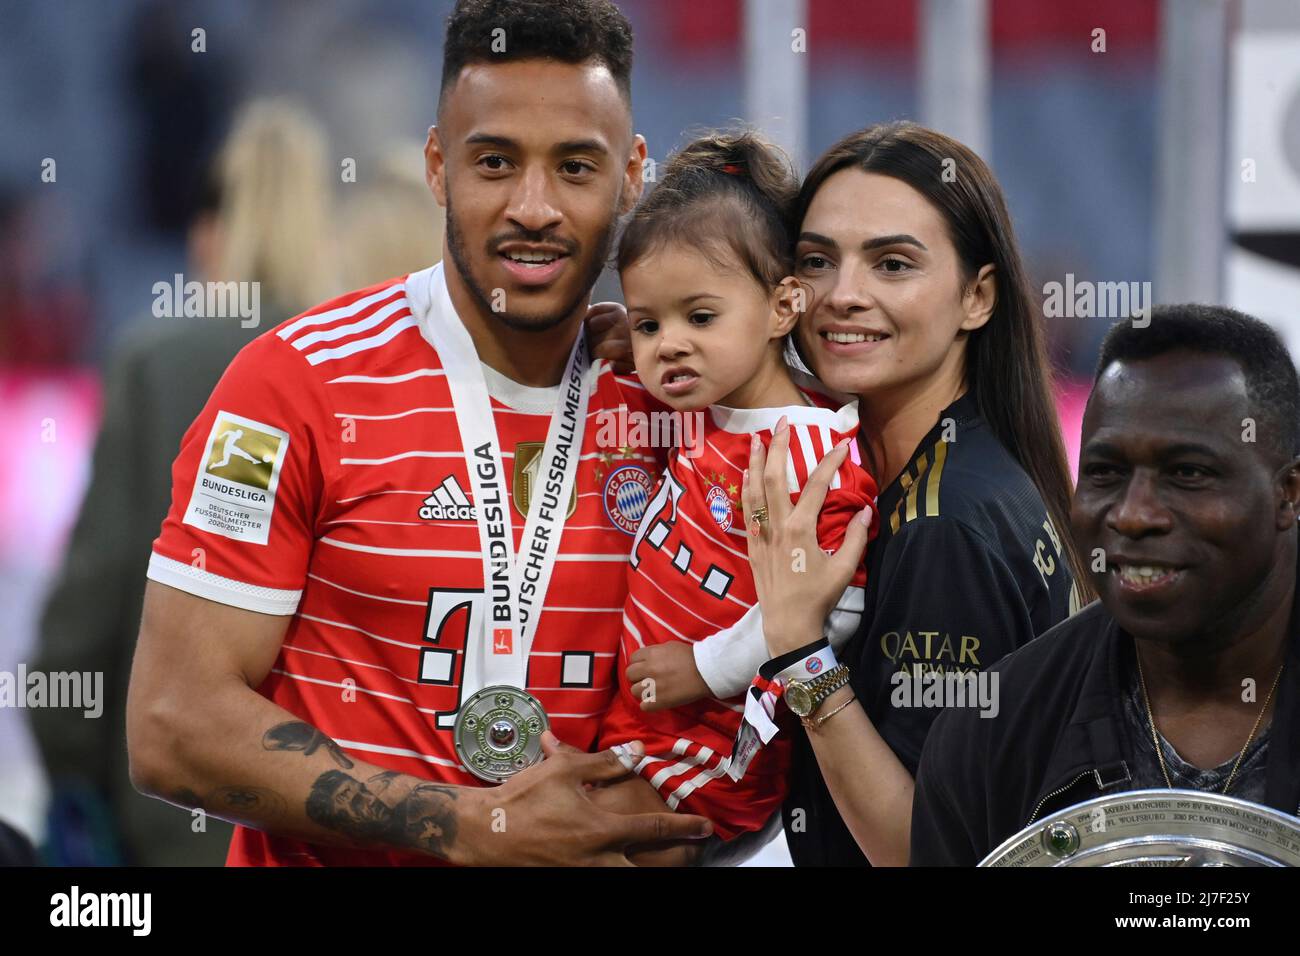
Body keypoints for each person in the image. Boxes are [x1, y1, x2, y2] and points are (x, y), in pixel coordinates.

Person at [126, 0, 712, 866]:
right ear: (438, 167)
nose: (535, 206)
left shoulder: (685, 408)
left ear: (633, 175)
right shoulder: (289, 387)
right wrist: (467, 826)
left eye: (577, 167)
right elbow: (171, 723)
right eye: (495, 162)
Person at [706, 122, 1090, 867]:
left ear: (978, 297)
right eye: (817, 261)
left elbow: (927, 850)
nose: (843, 296)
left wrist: (800, 652)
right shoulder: (952, 463)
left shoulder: (945, 525)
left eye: (891, 264)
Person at [31, 99, 338, 866]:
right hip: (327, 823)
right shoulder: (354, 371)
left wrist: (78, 777)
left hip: (167, 814)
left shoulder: (151, 361)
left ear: (207, 231)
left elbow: (87, 612)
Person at [910, 305, 1300, 865]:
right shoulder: (990, 736)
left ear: (1288, 492)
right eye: (1105, 473)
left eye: (1188, 473)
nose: (1134, 515)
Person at [590, 130, 877, 859]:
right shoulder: (708, 404)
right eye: (653, 322)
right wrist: (635, 334)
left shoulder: (809, 453)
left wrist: (708, 666)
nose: (671, 344)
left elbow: (836, 603)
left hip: (710, 759)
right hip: (639, 730)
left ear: (784, 307)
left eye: (700, 317)